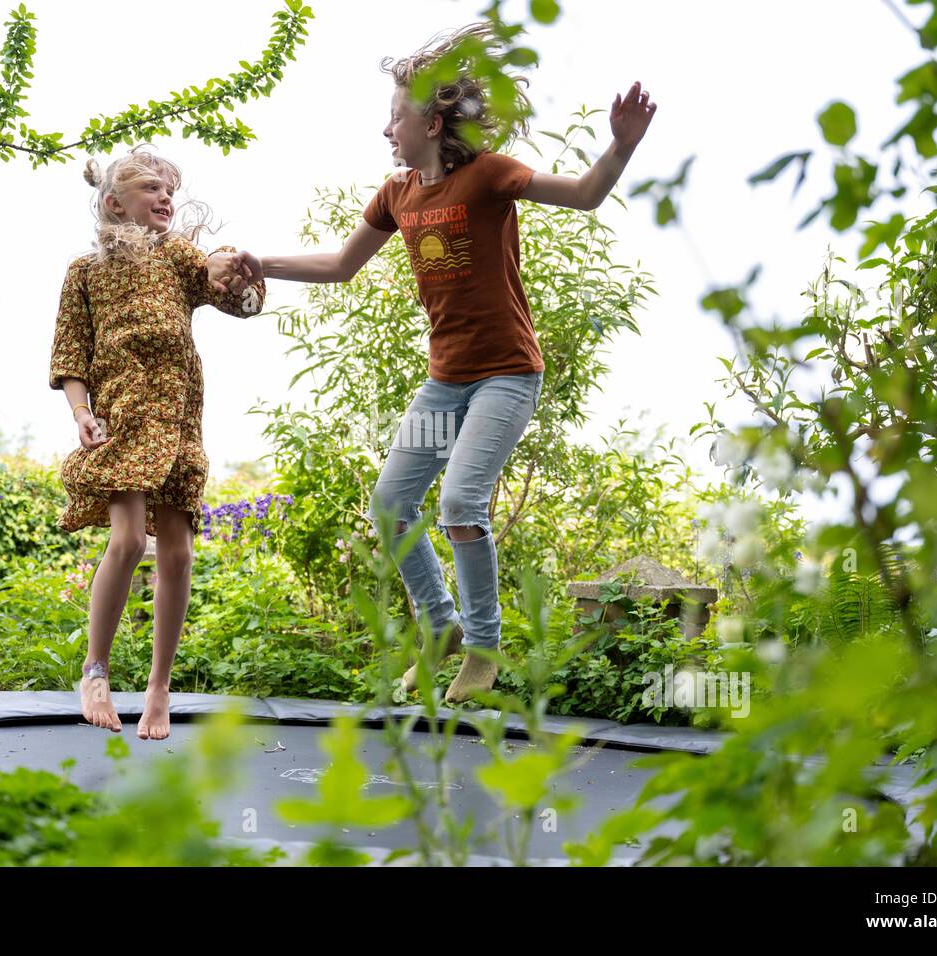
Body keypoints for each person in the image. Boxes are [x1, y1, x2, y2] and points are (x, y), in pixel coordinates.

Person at [238, 23, 656, 704]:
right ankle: (442, 631)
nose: (385, 130)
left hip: (506, 374)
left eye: (395, 117)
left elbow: (583, 194)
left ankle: (483, 649)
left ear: (431, 122)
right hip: (446, 383)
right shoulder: (397, 194)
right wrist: (266, 263)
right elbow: (342, 266)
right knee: (393, 504)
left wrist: (622, 144)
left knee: (462, 501)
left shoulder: (489, 176)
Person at [48, 144, 263, 739]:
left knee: (177, 552)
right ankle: (95, 671)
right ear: (116, 203)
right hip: (122, 417)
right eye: (152, 190)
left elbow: (234, 299)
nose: (166, 198)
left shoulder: (178, 256)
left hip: (179, 415)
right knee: (125, 540)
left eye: (170, 190)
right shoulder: (84, 272)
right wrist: (81, 412)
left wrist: (239, 276)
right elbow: (70, 353)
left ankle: (158, 689)